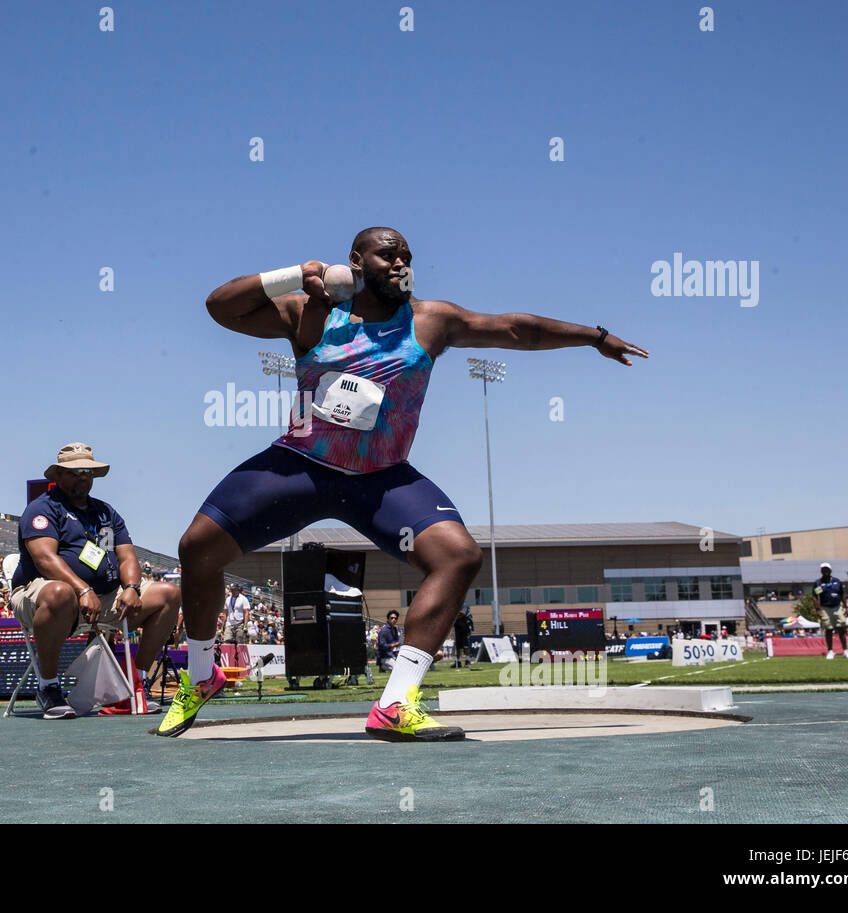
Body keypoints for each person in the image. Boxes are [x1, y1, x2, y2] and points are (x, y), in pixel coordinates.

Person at [161, 227, 648, 740]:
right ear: (355, 261)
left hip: (381, 478)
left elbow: (514, 330)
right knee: (196, 547)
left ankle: (396, 702)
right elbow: (220, 307)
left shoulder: (429, 321)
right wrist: (292, 275)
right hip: (301, 466)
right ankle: (201, 675)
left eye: (407, 257)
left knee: (458, 555)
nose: (400, 264)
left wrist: (593, 337)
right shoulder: (312, 312)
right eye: (387, 255)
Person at [10, 443, 181, 719]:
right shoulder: (42, 508)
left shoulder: (106, 512)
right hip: (43, 593)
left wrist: (132, 588)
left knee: (169, 594)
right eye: (75, 471)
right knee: (58, 591)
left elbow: (127, 558)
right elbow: (44, 559)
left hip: (104, 596)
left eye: (88, 471)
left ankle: (135, 683)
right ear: (58, 475)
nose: (83, 477)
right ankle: (48, 687)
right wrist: (83, 589)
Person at [814, 562, 848, 660]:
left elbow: (842, 594)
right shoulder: (819, 583)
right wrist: (818, 610)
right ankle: (830, 651)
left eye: (827, 569)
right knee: (828, 630)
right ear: (821, 571)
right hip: (825, 608)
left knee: (841, 628)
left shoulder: (837, 581)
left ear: (830, 570)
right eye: (823, 569)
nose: (825, 571)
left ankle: (845, 651)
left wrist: (846, 607)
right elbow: (815, 597)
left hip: (837, 607)